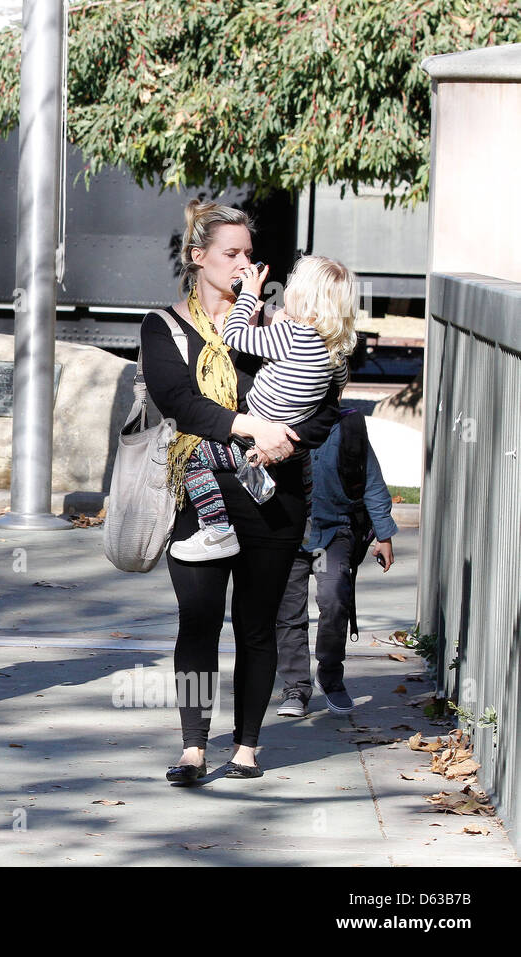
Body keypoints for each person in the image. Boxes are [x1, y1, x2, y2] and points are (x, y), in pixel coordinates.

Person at [140, 200, 341, 784]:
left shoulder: (277, 326)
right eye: (230, 253)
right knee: (198, 621)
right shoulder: (165, 326)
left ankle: (247, 747)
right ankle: (193, 747)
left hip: (275, 493)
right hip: (200, 491)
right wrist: (253, 425)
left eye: (248, 253)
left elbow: (327, 405)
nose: (243, 263)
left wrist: (292, 440)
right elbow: (179, 401)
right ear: (197, 257)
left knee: (257, 625)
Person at [170, 255, 359, 561]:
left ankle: (216, 530)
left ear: (301, 296)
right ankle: (309, 520)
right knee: (304, 463)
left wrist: (248, 296)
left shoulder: (288, 336)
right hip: (293, 445)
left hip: (253, 435)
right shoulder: (334, 349)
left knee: (193, 458)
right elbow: (338, 386)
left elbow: (233, 335)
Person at [276, 410, 397, 716]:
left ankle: (330, 676)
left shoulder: (348, 428)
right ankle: (295, 688)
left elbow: (372, 482)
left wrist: (384, 535)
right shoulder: (278, 418)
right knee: (290, 611)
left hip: (333, 533)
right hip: (288, 534)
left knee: (333, 598)